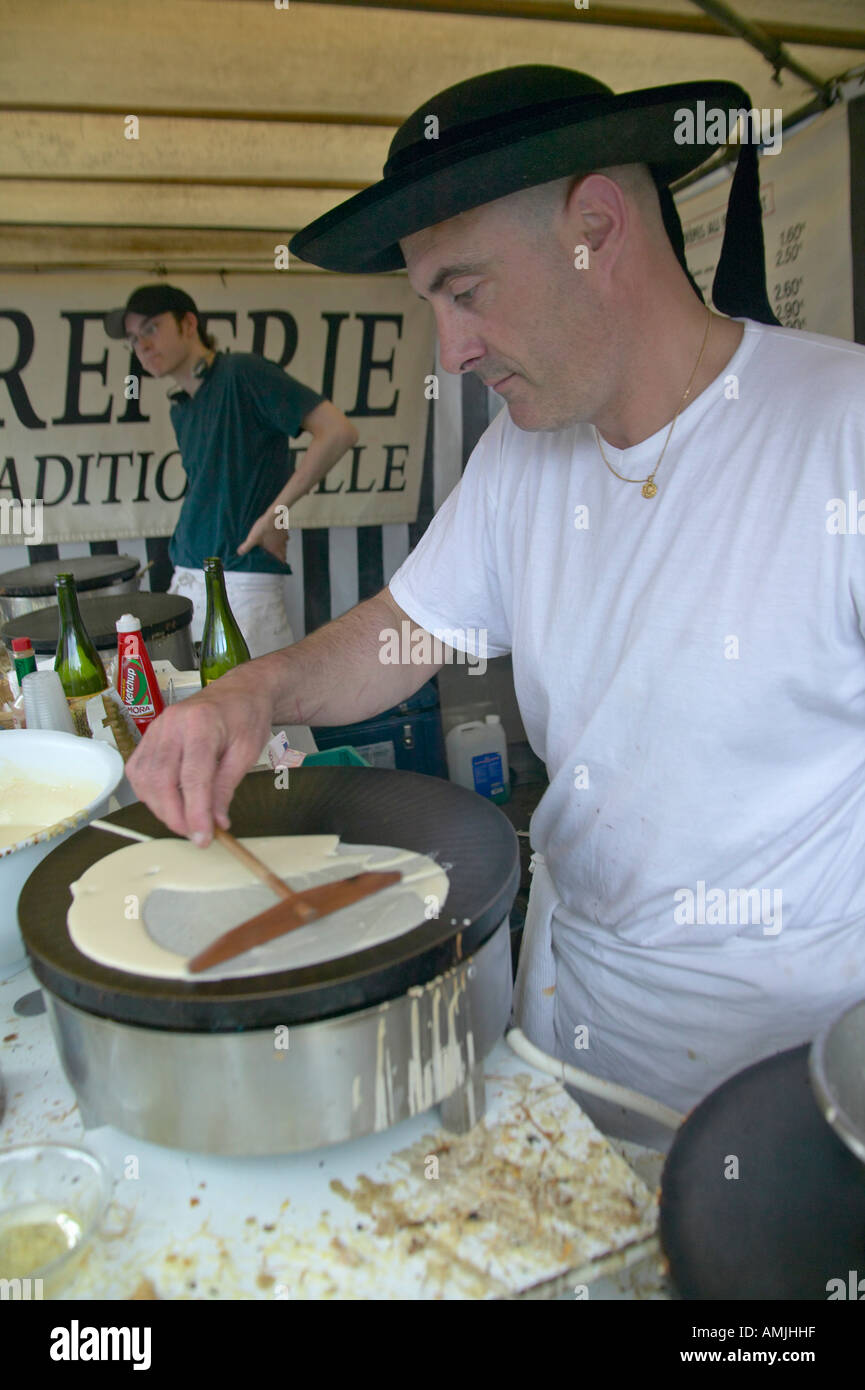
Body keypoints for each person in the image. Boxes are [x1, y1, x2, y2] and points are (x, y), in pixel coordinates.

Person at [126, 66, 865, 1122]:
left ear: (597, 228)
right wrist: (251, 693)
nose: (454, 351)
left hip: (781, 1095)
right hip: (559, 1029)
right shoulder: (523, 462)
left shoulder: (840, 433)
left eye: (466, 293)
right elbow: (398, 635)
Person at [104, 284, 358, 657]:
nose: (141, 345)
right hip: (189, 575)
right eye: (132, 338)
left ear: (188, 324)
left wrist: (275, 516)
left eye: (151, 328)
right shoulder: (183, 407)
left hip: (240, 579)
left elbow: (338, 432)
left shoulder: (242, 372)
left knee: (258, 709)